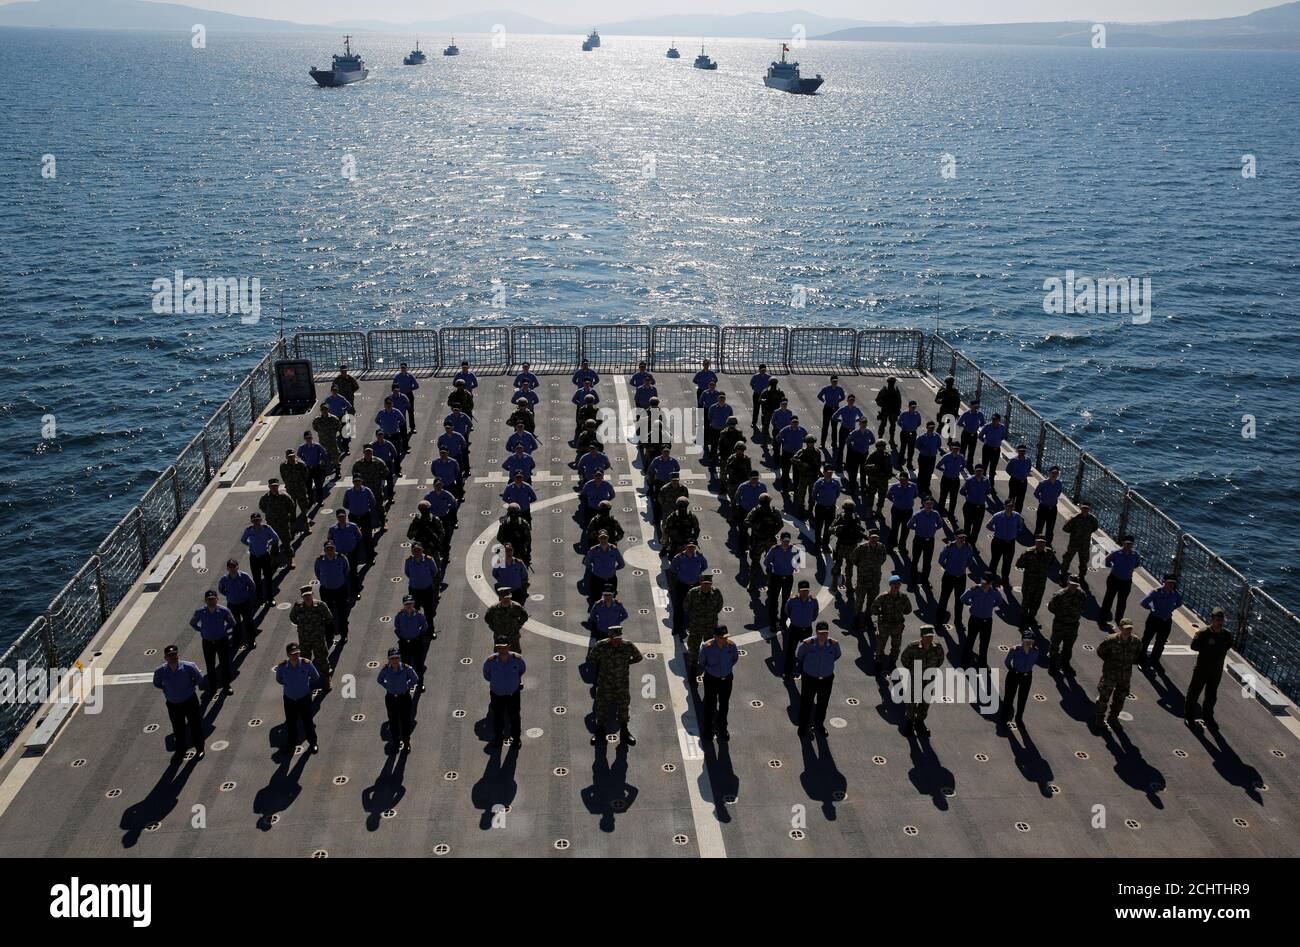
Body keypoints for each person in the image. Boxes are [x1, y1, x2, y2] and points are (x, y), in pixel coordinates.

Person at [587, 626, 643, 746]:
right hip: (604, 682)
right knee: (602, 706)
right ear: (610, 637)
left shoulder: (628, 645)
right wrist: (603, 665)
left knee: (623, 707)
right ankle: (600, 731)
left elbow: (638, 657)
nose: (617, 640)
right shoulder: (601, 645)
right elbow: (591, 658)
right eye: (614, 638)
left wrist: (626, 663)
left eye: (618, 638)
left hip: (621, 682)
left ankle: (624, 731)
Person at [153, 644, 205, 762]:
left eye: (174, 655)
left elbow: (199, 678)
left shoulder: (188, 667)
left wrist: (189, 688)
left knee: (195, 725)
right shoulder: (160, 671)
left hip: (189, 701)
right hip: (173, 705)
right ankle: (180, 752)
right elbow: (157, 683)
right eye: (170, 656)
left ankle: (200, 748)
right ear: (165, 658)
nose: (173, 657)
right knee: (178, 729)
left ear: (178, 655)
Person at [1184, 607, 1234, 729]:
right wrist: (1208, 649)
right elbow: (1194, 646)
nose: (1219, 622)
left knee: (1212, 694)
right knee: (1194, 692)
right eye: (1217, 620)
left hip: (1216, 670)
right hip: (1202, 668)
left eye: (1221, 620)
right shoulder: (1203, 633)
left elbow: (1228, 646)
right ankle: (1189, 716)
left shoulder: (1226, 635)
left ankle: (1208, 716)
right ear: (1212, 619)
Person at [1093, 618, 1142, 730]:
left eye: (1130, 629)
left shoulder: (1136, 641)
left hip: (1125, 676)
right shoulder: (1111, 640)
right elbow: (1100, 651)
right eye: (1126, 629)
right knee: (1104, 697)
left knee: (1120, 698)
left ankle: (1113, 718)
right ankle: (1099, 718)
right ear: (1120, 628)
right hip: (1110, 674)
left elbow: (1137, 656)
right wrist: (1110, 663)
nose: (1128, 631)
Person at [795, 622, 841, 738]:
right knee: (806, 703)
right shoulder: (807, 644)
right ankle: (803, 727)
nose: (823, 636)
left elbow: (837, 655)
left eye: (825, 633)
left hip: (826, 679)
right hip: (809, 678)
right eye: (821, 633)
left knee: (823, 704)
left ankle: (819, 725)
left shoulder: (833, 644)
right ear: (816, 632)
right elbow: (800, 656)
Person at [899, 626, 944, 738]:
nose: (929, 639)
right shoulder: (913, 647)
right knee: (912, 702)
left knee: (925, 702)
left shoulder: (937, 647)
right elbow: (904, 659)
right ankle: (909, 723)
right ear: (922, 637)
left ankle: (920, 722)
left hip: (929, 679)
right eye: (927, 636)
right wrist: (913, 670)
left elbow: (940, 660)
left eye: (931, 636)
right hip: (916, 678)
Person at [276, 642, 320, 755]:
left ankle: (313, 743)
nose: (295, 656)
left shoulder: (306, 664)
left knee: (308, 722)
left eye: (297, 653)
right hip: (289, 700)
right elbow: (279, 679)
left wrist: (304, 686)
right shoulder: (282, 667)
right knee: (291, 723)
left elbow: (315, 677)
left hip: (304, 698)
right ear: (288, 655)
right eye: (292, 654)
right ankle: (291, 745)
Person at [189, 590, 235, 696]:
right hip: (207, 642)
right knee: (210, 666)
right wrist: (202, 630)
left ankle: (227, 685)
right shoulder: (200, 612)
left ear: (217, 599)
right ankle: (213, 687)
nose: (211, 601)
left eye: (213, 599)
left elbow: (232, 622)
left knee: (224, 664)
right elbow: (193, 623)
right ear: (205, 600)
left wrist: (224, 630)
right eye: (209, 599)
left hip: (221, 640)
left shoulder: (224, 611)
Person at [288, 586, 334, 692]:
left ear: (312, 594)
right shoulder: (298, 607)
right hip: (304, 639)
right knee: (304, 661)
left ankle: (326, 679)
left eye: (309, 595)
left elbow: (328, 617)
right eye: (305, 596)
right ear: (302, 597)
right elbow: (292, 618)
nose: (307, 597)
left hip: (318, 638)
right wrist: (302, 626)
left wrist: (320, 627)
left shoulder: (320, 605)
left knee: (322, 659)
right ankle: (305, 681)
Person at [698, 625, 739, 742]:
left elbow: (735, 659)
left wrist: (725, 670)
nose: (725, 639)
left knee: (724, 705)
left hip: (726, 680)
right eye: (722, 637)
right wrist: (713, 670)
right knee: (709, 705)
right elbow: (702, 662)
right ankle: (708, 730)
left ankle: (722, 728)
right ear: (715, 637)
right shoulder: (707, 647)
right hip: (711, 679)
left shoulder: (731, 646)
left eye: (726, 637)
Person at [484, 636, 527, 747]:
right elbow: (487, 675)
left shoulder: (517, 659)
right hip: (497, 694)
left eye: (503, 647)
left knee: (515, 717)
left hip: (513, 694)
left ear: (509, 647)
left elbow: (521, 671)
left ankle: (516, 738)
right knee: (498, 717)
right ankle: (498, 738)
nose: (501, 650)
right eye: (498, 648)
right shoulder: (491, 661)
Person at [378, 647, 418, 754]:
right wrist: (388, 687)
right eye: (392, 658)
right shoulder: (386, 670)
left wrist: (406, 686)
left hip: (404, 698)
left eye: (396, 658)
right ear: (389, 659)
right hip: (391, 698)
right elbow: (380, 680)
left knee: (405, 722)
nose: (394, 660)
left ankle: (406, 743)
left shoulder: (406, 669)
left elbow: (415, 679)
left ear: (399, 658)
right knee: (393, 722)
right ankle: (396, 744)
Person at [959, 573, 1004, 667]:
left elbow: (1000, 601)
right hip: (975, 619)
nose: (984, 584)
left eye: (986, 583)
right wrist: (971, 604)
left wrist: (991, 605)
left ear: (991, 583)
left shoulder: (994, 592)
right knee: (970, 640)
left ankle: (982, 663)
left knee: (984, 644)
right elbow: (963, 598)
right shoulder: (975, 589)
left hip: (987, 621)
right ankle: (965, 660)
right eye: (983, 582)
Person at [1139, 575, 1183, 669]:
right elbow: (1143, 602)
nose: (1171, 585)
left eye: (1173, 583)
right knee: (1146, 639)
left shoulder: (1175, 594)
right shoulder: (1156, 592)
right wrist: (1153, 609)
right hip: (1154, 619)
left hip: (1166, 621)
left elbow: (1179, 603)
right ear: (1164, 582)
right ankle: (1141, 658)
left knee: (1161, 642)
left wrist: (1171, 609)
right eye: (1169, 582)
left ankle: (1155, 660)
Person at [870, 575, 912, 675]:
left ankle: (892, 663)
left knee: (896, 646)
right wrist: (881, 614)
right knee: (880, 645)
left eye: (898, 583)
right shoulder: (883, 597)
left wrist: (899, 614)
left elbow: (908, 610)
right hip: (884, 626)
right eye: (894, 584)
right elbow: (873, 608)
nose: (896, 586)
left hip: (897, 626)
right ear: (890, 585)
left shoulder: (904, 597)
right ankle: (879, 662)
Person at [1047, 576, 1087, 676]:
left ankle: (1065, 664)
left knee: (1068, 646)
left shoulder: (1081, 594)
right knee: (1055, 645)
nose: (1074, 587)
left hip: (1073, 625)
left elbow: (1082, 607)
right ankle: (1052, 665)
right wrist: (1061, 615)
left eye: (1076, 585)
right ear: (1068, 583)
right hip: (1060, 624)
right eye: (1072, 584)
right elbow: (1051, 608)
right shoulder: (1059, 595)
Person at [846, 530, 888, 626]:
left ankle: (867, 617)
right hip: (863, 580)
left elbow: (883, 559)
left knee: (872, 602)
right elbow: (852, 558)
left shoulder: (881, 547)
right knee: (859, 601)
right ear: (869, 537)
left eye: (876, 537)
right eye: (872, 537)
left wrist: (876, 567)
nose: (874, 539)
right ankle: (856, 618)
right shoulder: (861, 548)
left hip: (875, 580)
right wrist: (862, 566)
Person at [999, 632, 1039, 729]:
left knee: (1023, 698)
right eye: (1026, 641)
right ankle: (1004, 718)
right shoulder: (1015, 650)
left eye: (1031, 641)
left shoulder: (1035, 651)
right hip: (1014, 675)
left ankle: (1019, 718)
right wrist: (1013, 671)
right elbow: (1007, 662)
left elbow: (1033, 663)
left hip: (1027, 676)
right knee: (1009, 697)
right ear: (1022, 640)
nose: (1028, 643)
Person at [668, 540, 708, 636]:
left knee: (694, 608)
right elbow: (673, 568)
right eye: (689, 546)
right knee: (679, 609)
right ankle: (676, 628)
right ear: (685, 546)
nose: (691, 549)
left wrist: (696, 573)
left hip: (694, 585)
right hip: (682, 585)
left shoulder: (699, 556)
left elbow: (704, 566)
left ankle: (689, 627)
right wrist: (681, 574)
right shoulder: (679, 557)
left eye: (693, 547)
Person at [1015, 536, 1056, 630]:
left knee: (1037, 601)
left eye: (1043, 542)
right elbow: (1019, 564)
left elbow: (1052, 563)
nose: (1041, 544)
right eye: (1039, 542)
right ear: (1036, 543)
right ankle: (1023, 619)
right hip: (1029, 582)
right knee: (1026, 601)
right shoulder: (1028, 552)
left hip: (1041, 582)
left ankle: (1031, 618)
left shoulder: (1049, 552)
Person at [684, 576, 724, 669]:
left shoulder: (716, 593)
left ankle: (708, 663)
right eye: (704, 584)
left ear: (711, 584)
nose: (706, 586)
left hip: (710, 626)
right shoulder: (693, 593)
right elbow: (686, 607)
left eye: (708, 584)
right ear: (700, 583)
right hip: (696, 626)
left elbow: (720, 606)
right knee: (693, 647)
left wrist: (710, 616)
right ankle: (693, 664)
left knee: (710, 646)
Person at [314, 542, 352, 641]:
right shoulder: (319, 560)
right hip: (326, 590)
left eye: (332, 549)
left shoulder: (341, 558)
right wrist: (324, 581)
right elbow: (317, 573)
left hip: (340, 589)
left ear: (335, 549)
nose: (330, 551)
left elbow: (346, 570)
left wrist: (339, 580)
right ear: (324, 550)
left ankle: (344, 635)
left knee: (342, 613)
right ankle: (329, 635)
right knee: (327, 614)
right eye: (327, 549)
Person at [240, 511, 280, 605]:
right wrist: (250, 545)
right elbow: (243, 540)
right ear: (251, 521)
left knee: (268, 578)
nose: (256, 522)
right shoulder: (249, 530)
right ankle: (259, 598)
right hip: (254, 557)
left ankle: (270, 598)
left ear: (261, 520)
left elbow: (276, 538)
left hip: (265, 556)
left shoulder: (267, 528)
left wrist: (268, 544)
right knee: (256, 579)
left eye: (258, 520)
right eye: (254, 521)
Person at [218, 558, 257, 652]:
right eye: (230, 567)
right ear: (227, 568)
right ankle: (237, 642)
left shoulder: (244, 576)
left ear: (237, 567)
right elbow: (221, 589)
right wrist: (228, 595)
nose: (232, 569)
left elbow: (252, 586)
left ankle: (251, 641)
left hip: (245, 603)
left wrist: (248, 595)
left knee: (248, 622)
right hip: (232, 604)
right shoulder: (224, 579)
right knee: (235, 624)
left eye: (234, 566)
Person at [936, 533, 973, 629]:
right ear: (955, 537)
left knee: (959, 600)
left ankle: (958, 622)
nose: (962, 539)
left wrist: (964, 567)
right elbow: (941, 559)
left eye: (964, 537)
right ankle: (939, 621)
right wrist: (947, 568)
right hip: (949, 576)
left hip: (961, 577)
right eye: (960, 537)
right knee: (944, 598)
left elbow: (970, 560)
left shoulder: (968, 547)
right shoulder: (949, 547)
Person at [763, 533, 799, 633]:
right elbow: (766, 561)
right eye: (784, 541)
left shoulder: (794, 549)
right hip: (776, 577)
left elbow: (799, 562)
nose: (786, 543)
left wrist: (792, 566)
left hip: (788, 578)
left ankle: (783, 622)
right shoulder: (774, 549)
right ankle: (773, 623)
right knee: (773, 601)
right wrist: (773, 568)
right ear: (781, 540)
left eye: (788, 541)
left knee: (786, 601)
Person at [1099, 537, 1141, 623]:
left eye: (1131, 544)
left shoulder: (1135, 554)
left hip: (1126, 581)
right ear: (1123, 543)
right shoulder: (1116, 553)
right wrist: (1112, 567)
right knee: (1109, 598)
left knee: (1122, 601)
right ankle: (1103, 616)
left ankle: (1119, 620)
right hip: (1114, 579)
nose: (1129, 545)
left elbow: (1137, 564)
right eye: (1127, 543)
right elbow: (1107, 560)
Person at [745, 495, 783, 588]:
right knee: (759, 561)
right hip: (764, 539)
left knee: (759, 561)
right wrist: (757, 526)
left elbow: (746, 522)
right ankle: (755, 582)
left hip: (762, 540)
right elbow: (747, 522)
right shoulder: (766, 511)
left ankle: (760, 583)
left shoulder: (759, 510)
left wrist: (757, 528)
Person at [784, 580, 820, 678]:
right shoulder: (792, 601)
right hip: (794, 629)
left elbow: (815, 613)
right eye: (802, 590)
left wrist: (808, 621)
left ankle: (805, 670)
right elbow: (787, 611)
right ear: (798, 590)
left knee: (807, 651)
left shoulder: (813, 601)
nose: (805, 592)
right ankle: (787, 672)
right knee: (790, 651)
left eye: (806, 590)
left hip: (807, 629)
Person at [395, 596, 431, 690]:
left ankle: (420, 684)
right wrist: (402, 637)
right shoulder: (400, 615)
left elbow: (424, 626)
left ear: (413, 604)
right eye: (406, 604)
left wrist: (417, 635)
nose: (408, 606)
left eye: (410, 603)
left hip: (415, 642)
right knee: (405, 665)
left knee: (419, 665)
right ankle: (406, 684)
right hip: (404, 643)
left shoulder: (419, 615)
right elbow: (397, 627)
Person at [986, 499, 1023, 589]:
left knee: (1007, 562)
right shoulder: (997, 516)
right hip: (998, 541)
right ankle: (990, 578)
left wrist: (1014, 532)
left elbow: (1020, 526)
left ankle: (1005, 580)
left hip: (1010, 543)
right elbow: (988, 525)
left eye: (1012, 506)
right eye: (1008, 506)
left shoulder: (1017, 516)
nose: (1010, 508)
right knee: (994, 560)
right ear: (1004, 506)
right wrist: (996, 531)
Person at [260, 480, 297, 569]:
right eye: (272, 486)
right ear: (269, 487)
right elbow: (262, 507)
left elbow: (291, 507)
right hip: (272, 526)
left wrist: (287, 517)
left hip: (283, 524)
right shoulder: (265, 498)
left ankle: (290, 560)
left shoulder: (284, 496)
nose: (274, 488)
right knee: (274, 544)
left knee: (286, 543)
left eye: (276, 486)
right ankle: (274, 560)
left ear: (278, 486)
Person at [907, 497, 944, 585]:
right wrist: (917, 529)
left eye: (931, 504)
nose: (929, 506)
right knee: (915, 560)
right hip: (919, 540)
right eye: (927, 504)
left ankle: (925, 580)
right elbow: (909, 525)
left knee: (927, 562)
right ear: (923, 504)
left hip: (930, 541)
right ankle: (913, 580)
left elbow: (940, 524)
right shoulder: (917, 514)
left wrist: (933, 530)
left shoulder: (935, 514)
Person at [342, 475, 379, 564]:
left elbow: (373, 502)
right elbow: (345, 504)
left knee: (368, 537)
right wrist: (353, 508)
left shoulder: (366, 491)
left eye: (358, 481)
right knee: (354, 538)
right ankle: (356, 558)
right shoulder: (348, 492)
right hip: (354, 517)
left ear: (362, 481)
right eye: (355, 481)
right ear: (353, 482)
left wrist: (367, 509)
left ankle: (370, 557)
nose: (357, 483)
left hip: (365, 516)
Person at [1059, 502, 1099, 584]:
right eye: (1084, 508)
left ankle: (1082, 576)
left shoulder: (1093, 519)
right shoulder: (1074, 518)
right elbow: (1065, 528)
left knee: (1084, 561)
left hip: (1085, 544)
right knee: (1067, 558)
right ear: (1081, 508)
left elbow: (1095, 528)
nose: (1085, 510)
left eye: (1087, 509)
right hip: (1074, 543)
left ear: (1089, 510)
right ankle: (1063, 573)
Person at [328, 508, 364, 590]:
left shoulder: (353, 526)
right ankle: (345, 591)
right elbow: (330, 541)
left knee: (354, 571)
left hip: (352, 552)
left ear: (346, 516)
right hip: (340, 554)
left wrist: (355, 547)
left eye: (343, 516)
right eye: (339, 517)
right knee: (342, 573)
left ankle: (355, 590)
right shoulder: (332, 529)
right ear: (337, 517)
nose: (341, 518)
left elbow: (359, 536)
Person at [484, 586, 528, 652]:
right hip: (499, 637)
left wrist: (518, 625)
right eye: (505, 598)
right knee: (499, 655)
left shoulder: (516, 606)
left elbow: (524, 616)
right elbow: (487, 618)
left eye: (508, 597)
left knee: (515, 655)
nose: (507, 599)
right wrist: (494, 627)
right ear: (500, 598)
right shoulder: (494, 608)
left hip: (513, 636)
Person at [279, 448, 313, 532]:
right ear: (286, 457)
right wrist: (289, 484)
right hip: (290, 491)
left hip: (300, 490)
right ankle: (293, 527)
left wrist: (300, 484)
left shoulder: (301, 465)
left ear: (295, 456)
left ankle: (306, 526)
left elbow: (306, 476)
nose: (291, 458)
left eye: (292, 456)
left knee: (304, 509)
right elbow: (283, 477)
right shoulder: (283, 466)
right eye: (289, 457)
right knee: (291, 509)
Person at [405, 543, 440, 621]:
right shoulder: (408, 561)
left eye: (419, 550)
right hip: (414, 590)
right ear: (412, 551)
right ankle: (416, 629)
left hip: (427, 589)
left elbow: (434, 572)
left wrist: (426, 579)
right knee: (414, 610)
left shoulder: (429, 560)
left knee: (428, 610)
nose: (417, 552)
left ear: (422, 550)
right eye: (415, 550)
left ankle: (430, 630)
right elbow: (407, 573)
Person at [959, 466, 992, 548]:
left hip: (980, 507)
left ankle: (972, 543)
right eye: (977, 471)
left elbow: (988, 490)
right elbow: (962, 491)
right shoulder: (970, 480)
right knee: (967, 526)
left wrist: (982, 496)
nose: (979, 472)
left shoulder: (986, 480)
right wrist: (968, 496)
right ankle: (966, 543)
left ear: (983, 471)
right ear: (974, 471)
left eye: (980, 471)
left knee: (977, 527)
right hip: (970, 506)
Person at [885, 471, 917, 552]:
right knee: (894, 528)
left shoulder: (913, 486)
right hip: (896, 511)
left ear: (907, 479)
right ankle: (892, 545)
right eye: (900, 479)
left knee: (905, 530)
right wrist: (896, 502)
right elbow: (888, 495)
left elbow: (915, 495)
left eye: (904, 479)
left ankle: (902, 546)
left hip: (908, 511)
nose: (902, 481)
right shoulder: (894, 487)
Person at [811, 467, 841, 551]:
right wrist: (820, 501)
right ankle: (817, 544)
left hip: (831, 508)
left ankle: (825, 545)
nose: (829, 474)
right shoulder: (819, 483)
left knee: (829, 528)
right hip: (820, 508)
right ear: (824, 473)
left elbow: (837, 494)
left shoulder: (836, 483)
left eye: (831, 473)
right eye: (828, 472)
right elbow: (814, 494)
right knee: (818, 527)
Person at [1032, 467, 1064, 543]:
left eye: (1056, 473)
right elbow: (1036, 493)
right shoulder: (1043, 483)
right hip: (1043, 508)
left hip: (1053, 509)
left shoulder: (1059, 484)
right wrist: (1041, 500)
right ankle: (1035, 542)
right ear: (1049, 473)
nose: (1054, 475)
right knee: (1039, 526)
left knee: (1050, 528)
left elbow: (1058, 493)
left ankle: (1048, 544)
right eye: (1053, 473)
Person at [844, 417, 875, 492]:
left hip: (864, 454)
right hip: (856, 454)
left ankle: (863, 485)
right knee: (854, 470)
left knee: (863, 471)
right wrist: (853, 448)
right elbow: (848, 441)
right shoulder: (854, 432)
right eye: (862, 423)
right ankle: (852, 485)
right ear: (859, 424)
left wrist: (867, 445)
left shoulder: (868, 432)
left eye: (865, 423)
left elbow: (873, 440)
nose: (864, 424)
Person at [298, 430, 329, 505]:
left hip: (316, 467)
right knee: (308, 486)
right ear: (305, 439)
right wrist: (304, 459)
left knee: (318, 485)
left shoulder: (317, 446)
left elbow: (324, 453)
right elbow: (299, 454)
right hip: (308, 468)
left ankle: (320, 500)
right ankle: (311, 501)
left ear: (312, 437)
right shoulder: (302, 447)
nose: (309, 439)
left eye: (310, 437)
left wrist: (320, 460)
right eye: (307, 438)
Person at [935, 442, 965, 520]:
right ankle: (940, 513)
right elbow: (938, 466)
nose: (956, 450)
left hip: (955, 480)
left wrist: (959, 470)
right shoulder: (946, 457)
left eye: (957, 449)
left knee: (953, 498)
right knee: (943, 496)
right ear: (952, 448)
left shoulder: (961, 457)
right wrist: (945, 470)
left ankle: (951, 515)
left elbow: (964, 465)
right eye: (954, 448)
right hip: (946, 479)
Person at [862, 440, 893, 514]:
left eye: (883, 446)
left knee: (882, 495)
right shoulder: (873, 455)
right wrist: (874, 466)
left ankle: (879, 511)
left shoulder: (887, 455)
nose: (882, 448)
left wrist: (889, 474)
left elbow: (890, 466)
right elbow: (865, 466)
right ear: (877, 447)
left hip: (883, 479)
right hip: (874, 479)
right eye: (880, 446)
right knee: (871, 494)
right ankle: (869, 510)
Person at [311, 406, 343, 479]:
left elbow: (339, 426)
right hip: (323, 442)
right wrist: (321, 433)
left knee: (335, 458)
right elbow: (314, 427)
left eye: (325, 409)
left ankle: (338, 472)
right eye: (322, 410)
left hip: (332, 442)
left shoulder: (333, 418)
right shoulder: (317, 419)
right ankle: (324, 473)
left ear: (328, 410)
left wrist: (333, 432)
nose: (324, 411)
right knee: (323, 458)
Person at [816, 375, 845, 448]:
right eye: (833, 381)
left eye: (836, 381)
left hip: (835, 409)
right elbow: (819, 396)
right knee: (825, 426)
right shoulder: (826, 388)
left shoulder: (840, 389)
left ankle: (834, 443)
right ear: (831, 381)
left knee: (834, 427)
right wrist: (824, 401)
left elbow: (843, 397)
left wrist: (837, 401)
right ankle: (822, 443)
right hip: (827, 408)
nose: (835, 382)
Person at [977, 412, 1007, 481]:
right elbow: (980, 436)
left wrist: (997, 442)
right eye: (993, 419)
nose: (994, 420)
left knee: (993, 468)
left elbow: (1003, 436)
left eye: (995, 419)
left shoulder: (1002, 427)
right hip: (987, 448)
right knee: (984, 466)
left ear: (999, 420)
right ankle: (982, 481)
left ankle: (991, 483)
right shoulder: (987, 426)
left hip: (996, 450)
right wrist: (986, 442)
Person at [957, 400, 985, 471]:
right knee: (963, 449)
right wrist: (965, 426)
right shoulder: (966, 414)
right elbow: (959, 422)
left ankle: (969, 465)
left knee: (971, 451)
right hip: (966, 433)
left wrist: (977, 426)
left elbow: (982, 423)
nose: (976, 408)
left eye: (977, 406)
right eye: (974, 406)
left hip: (974, 434)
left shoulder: (980, 414)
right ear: (971, 406)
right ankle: (961, 463)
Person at [915, 421, 941, 496]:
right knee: (922, 473)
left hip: (932, 458)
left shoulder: (937, 436)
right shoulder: (922, 437)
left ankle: (926, 488)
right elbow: (917, 445)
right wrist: (923, 450)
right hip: (923, 457)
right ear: (927, 428)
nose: (931, 429)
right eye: (930, 428)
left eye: (933, 428)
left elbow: (938, 445)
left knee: (929, 473)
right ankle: (920, 488)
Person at [874, 376, 902, 446]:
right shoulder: (885, 389)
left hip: (892, 411)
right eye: (891, 382)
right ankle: (880, 439)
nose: (891, 384)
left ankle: (891, 440)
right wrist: (883, 405)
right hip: (886, 410)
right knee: (884, 425)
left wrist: (897, 410)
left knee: (892, 426)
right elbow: (878, 400)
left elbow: (899, 401)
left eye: (892, 382)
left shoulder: (895, 390)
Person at [394, 362, 420, 433]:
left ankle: (412, 428)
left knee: (410, 412)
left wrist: (410, 388)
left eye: (404, 367)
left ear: (406, 368)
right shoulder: (397, 376)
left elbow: (417, 385)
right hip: (401, 396)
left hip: (409, 395)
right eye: (401, 367)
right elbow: (394, 386)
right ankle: (402, 428)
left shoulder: (410, 376)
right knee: (401, 413)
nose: (403, 369)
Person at [1006, 445, 1032, 513]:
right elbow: (1008, 469)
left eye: (1023, 451)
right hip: (1014, 481)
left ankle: (1017, 514)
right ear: (1018, 451)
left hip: (1023, 482)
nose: (1022, 453)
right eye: (1020, 451)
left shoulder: (1028, 460)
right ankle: (1009, 511)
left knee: (1020, 500)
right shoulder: (1013, 460)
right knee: (1011, 498)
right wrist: (1014, 475)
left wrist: (1025, 475)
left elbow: (1029, 468)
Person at [897, 400, 922, 468]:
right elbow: (899, 422)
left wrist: (913, 427)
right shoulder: (904, 413)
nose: (913, 408)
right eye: (912, 407)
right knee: (903, 448)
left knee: (911, 449)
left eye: (914, 407)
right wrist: (903, 427)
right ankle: (900, 462)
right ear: (909, 407)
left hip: (913, 433)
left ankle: (909, 463)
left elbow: (919, 423)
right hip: (904, 432)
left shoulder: (917, 414)